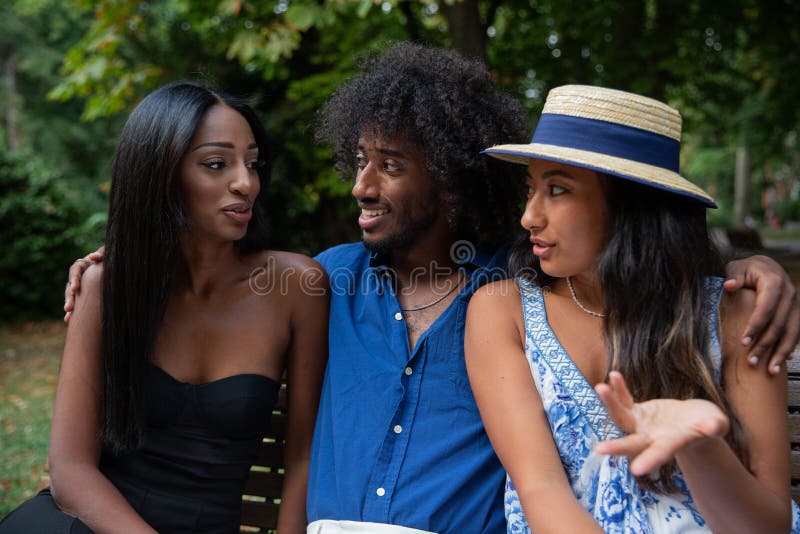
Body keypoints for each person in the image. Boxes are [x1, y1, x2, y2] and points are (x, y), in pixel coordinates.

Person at [64, 45, 799, 533]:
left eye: (388, 165)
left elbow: (626, 264)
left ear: (448, 175)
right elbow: (208, 270)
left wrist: (751, 275)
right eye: (359, 160)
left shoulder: (511, 288)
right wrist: (122, 257)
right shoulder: (322, 281)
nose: (360, 185)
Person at [465, 85, 799, 532]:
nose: (529, 216)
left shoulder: (735, 314)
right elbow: (540, 490)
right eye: (532, 188)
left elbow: (767, 527)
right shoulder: (503, 311)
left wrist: (701, 449)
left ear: (630, 207)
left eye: (558, 189)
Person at [1, 82, 328, 533]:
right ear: (161, 173)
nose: (245, 182)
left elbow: (303, 454)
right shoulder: (109, 285)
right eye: (217, 164)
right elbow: (70, 470)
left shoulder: (296, 286)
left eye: (252, 163)